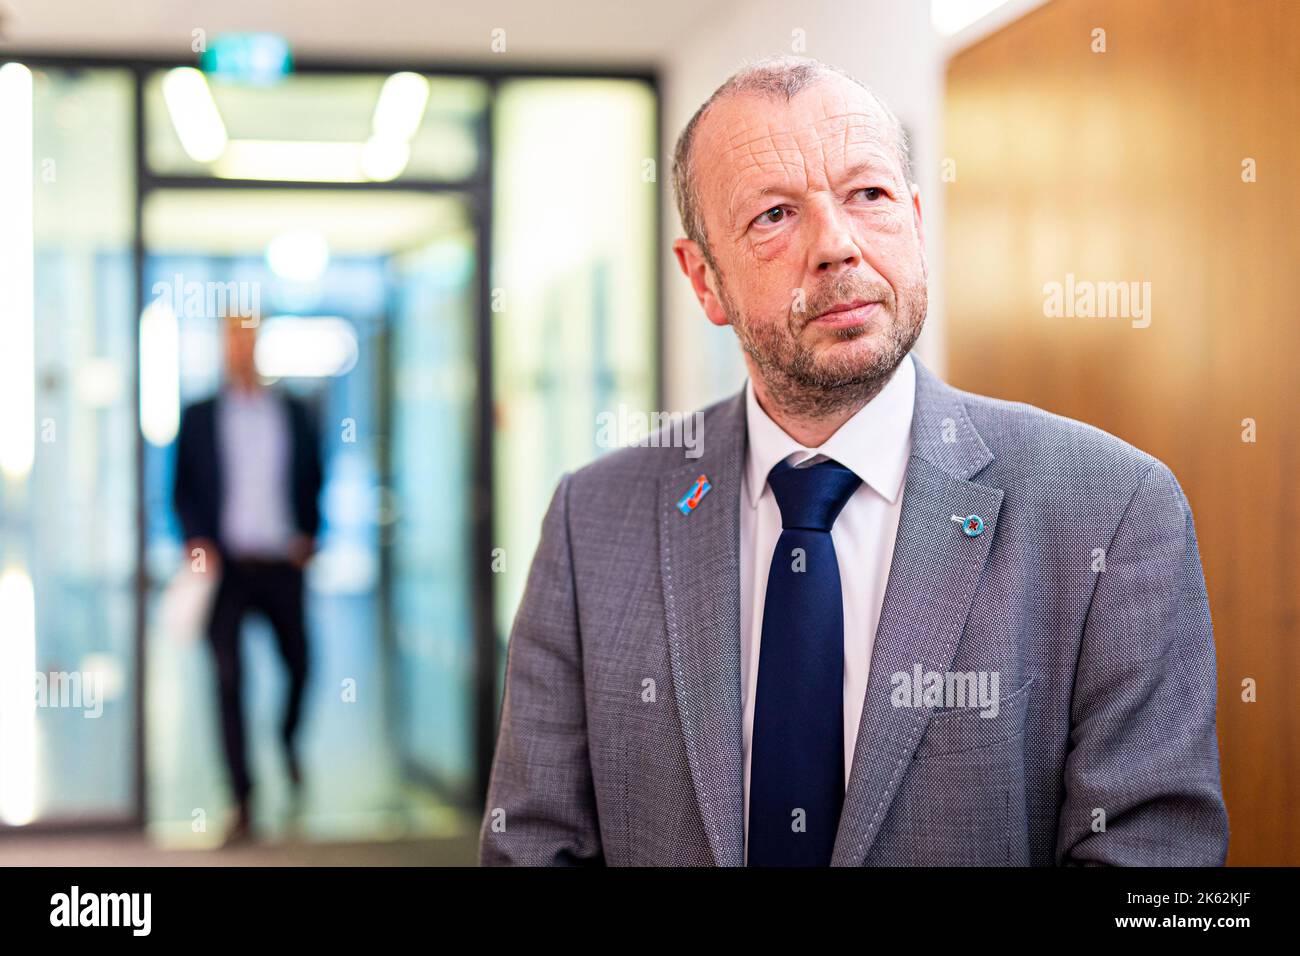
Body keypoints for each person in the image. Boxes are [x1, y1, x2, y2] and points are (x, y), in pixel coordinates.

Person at [479, 55, 1229, 866]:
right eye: (774, 215)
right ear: (704, 280)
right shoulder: (595, 519)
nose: (837, 245)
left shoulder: (1113, 511)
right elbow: (532, 845)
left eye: (868, 195)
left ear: (912, 218)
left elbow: (1156, 869)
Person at [173, 313, 324, 846]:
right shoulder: (198, 416)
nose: (241, 348)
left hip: (282, 565)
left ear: (260, 344)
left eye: (249, 338)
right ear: (221, 346)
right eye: (232, 339)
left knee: (302, 666)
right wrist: (196, 541)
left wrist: (310, 532)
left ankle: (286, 741)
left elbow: (312, 475)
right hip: (227, 570)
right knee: (229, 680)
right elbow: (182, 490)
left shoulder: (295, 411)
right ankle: (242, 795)